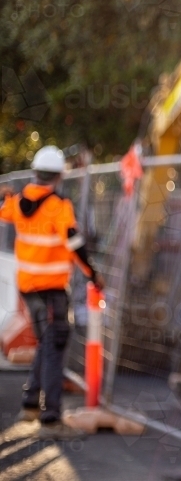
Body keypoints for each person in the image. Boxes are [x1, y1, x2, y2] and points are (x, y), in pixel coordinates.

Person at [0, 145, 104, 439]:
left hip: (29, 289)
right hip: (53, 292)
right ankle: (51, 418)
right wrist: (94, 275)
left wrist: (5, 195)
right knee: (55, 346)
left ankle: (31, 404)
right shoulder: (59, 206)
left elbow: (5, 210)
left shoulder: (19, 203)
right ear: (58, 177)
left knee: (46, 342)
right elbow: (75, 245)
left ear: (35, 173)